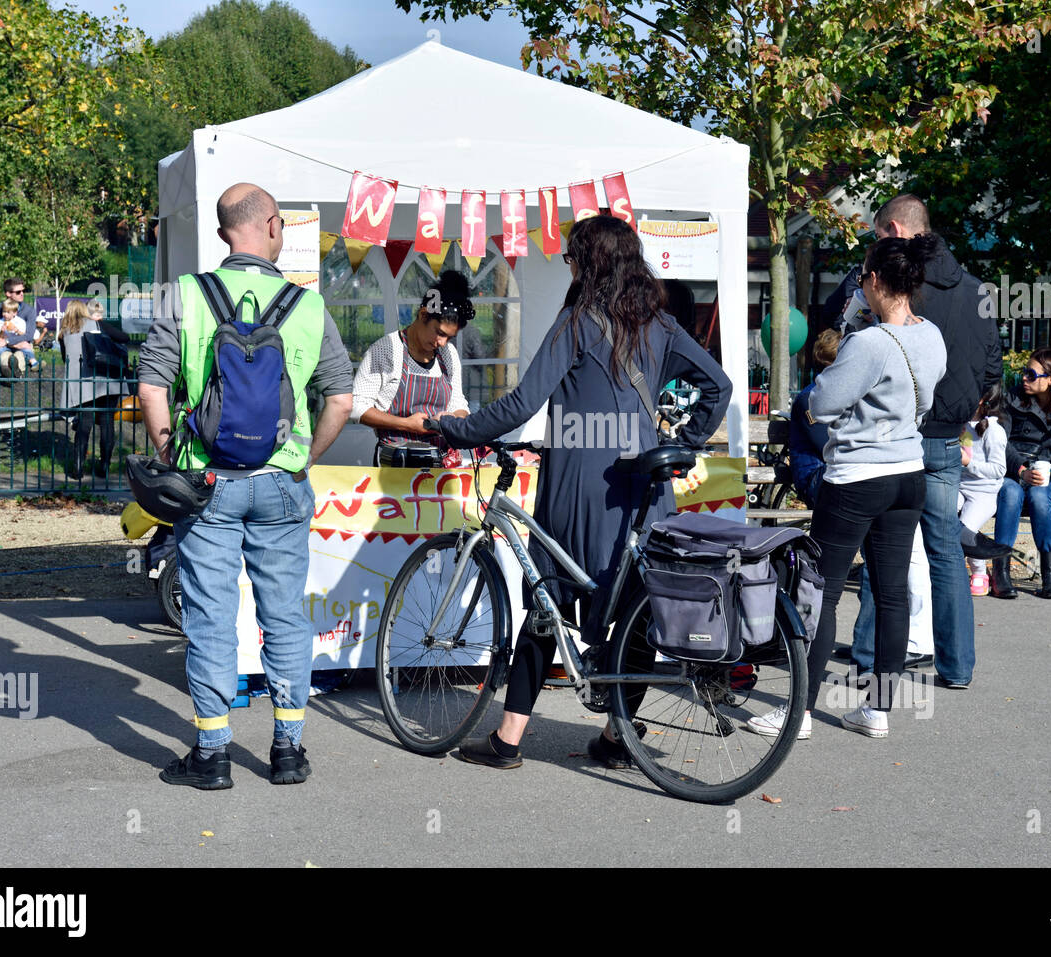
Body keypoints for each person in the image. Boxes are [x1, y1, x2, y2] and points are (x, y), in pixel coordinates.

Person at [432, 213, 731, 770]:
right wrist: (682, 442)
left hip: (580, 488)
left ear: (587, 263)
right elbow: (719, 385)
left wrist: (456, 428)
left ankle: (507, 742)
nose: (567, 265)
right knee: (639, 608)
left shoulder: (577, 323)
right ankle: (619, 737)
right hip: (646, 490)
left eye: (571, 257)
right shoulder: (659, 325)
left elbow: (522, 404)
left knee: (548, 603)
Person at [138, 183, 353, 790]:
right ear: (273, 226)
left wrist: (171, 458)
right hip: (280, 482)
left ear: (223, 230)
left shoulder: (186, 295)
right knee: (283, 613)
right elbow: (341, 399)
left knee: (210, 615)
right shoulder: (307, 306)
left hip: (207, 482)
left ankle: (212, 755)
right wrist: (301, 456)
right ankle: (287, 748)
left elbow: (152, 388)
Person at [844, 195, 1001, 689]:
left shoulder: (901, 289)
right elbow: (994, 369)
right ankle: (957, 666)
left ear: (894, 229)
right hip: (949, 438)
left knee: (882, 547)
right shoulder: (978, 290)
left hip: (899, 435)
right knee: (946, 550)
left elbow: (865, 354)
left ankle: (870, 656)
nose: (875, 251)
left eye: (877, 238)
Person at [797, 234, 947, 739]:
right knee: (891, 594)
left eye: (863, 278)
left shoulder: (868, 343)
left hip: (858, 475)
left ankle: (799, 712)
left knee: (823, 593)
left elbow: (821, 403)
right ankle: (877, 709)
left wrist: (848, 324)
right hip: (908, 471)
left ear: (876, 282)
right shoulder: (932, 336)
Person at [991, 347, 1051, 600]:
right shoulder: (1012, 399)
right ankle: (1001, 573)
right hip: (1014, 471)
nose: (1024, 378)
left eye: (1031, 374)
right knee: (1010, 493)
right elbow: (1000, 442)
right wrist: (1021, 470)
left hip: (1049, 477)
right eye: (1024, 372)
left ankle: (1050, 574)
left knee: (1039, 496)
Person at [352, 270, 471, 463]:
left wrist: (454, 417)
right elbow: (357, 407)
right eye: (439, 333)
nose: (442, 342)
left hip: (440, 464)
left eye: (449, 337)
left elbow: (458, 402)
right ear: (424, 315)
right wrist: (406, 424)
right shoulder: (385, 350)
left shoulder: (448, 355)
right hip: (394, 464)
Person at [59, 301, 128, 480]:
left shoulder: (63, 334)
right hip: (107, 380)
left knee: (84, 424)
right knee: (107, 423)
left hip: (83, 384)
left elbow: (64, 358)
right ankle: (104, 465)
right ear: (84, 311)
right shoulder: (98, 324)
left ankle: (78, 467)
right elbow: (124, 338)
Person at [958, 385, 1009, 595]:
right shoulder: (963, 424)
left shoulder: (994, 431)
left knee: (966, 530)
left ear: (981, 400)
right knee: (942, 517)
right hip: (960, 486)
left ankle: (979, 572)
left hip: (984, 492)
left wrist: (969, 463)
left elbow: (999, 469)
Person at [788, 328, 841, 508]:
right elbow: (826, 446)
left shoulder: (840, 393)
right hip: (816, 476)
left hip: (837, 472)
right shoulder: (809, 399)